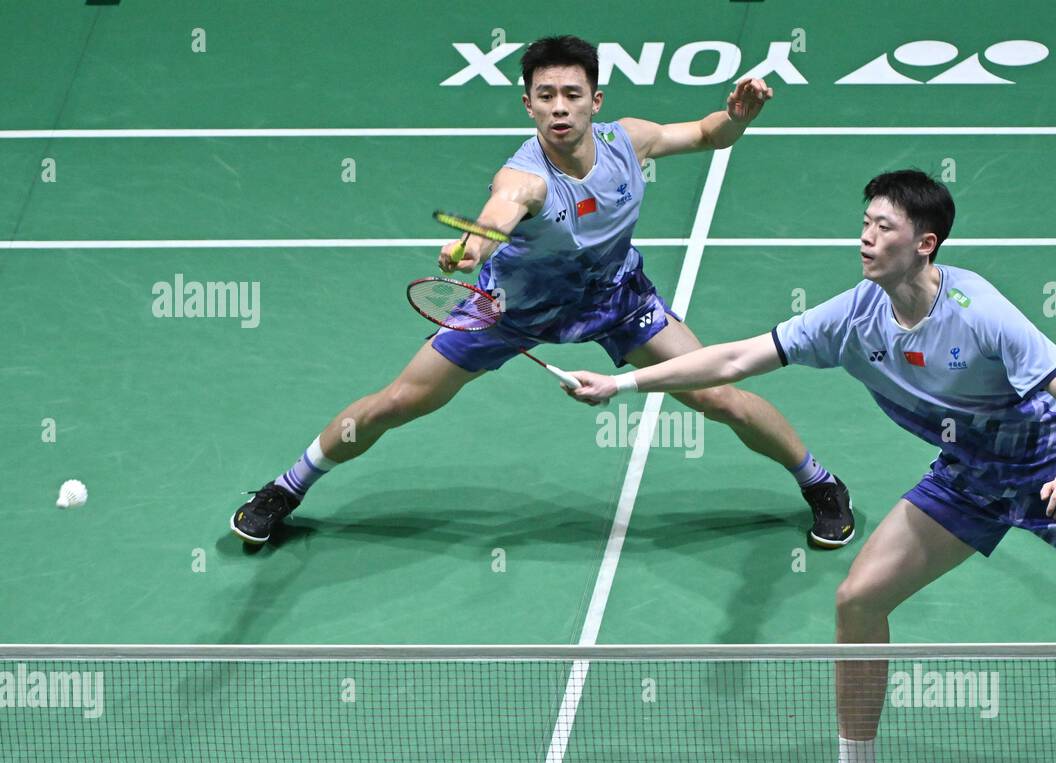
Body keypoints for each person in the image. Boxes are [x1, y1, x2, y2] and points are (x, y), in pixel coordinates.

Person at [564, 168, 1056, 763]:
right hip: (972, 475)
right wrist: (622, 386)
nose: (866, 237)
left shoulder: (979, 312)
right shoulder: (854, 318)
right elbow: (731, 359)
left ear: (924, 243)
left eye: (883, 227)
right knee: (859, 597)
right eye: (865, 223)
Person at [230, 35, 854, 550]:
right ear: (527, 105)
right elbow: (496, 216)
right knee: (398, 402)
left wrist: (739, 116)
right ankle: (287, 486)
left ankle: (821, 483)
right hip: (509, 313)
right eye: (545, 96)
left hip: (618, 301)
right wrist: (470, 250)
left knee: (720, 397)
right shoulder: (524, 177)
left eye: (571, 95)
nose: (559, 107)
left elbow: (704, 133)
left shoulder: (626, 141)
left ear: (594, 101)